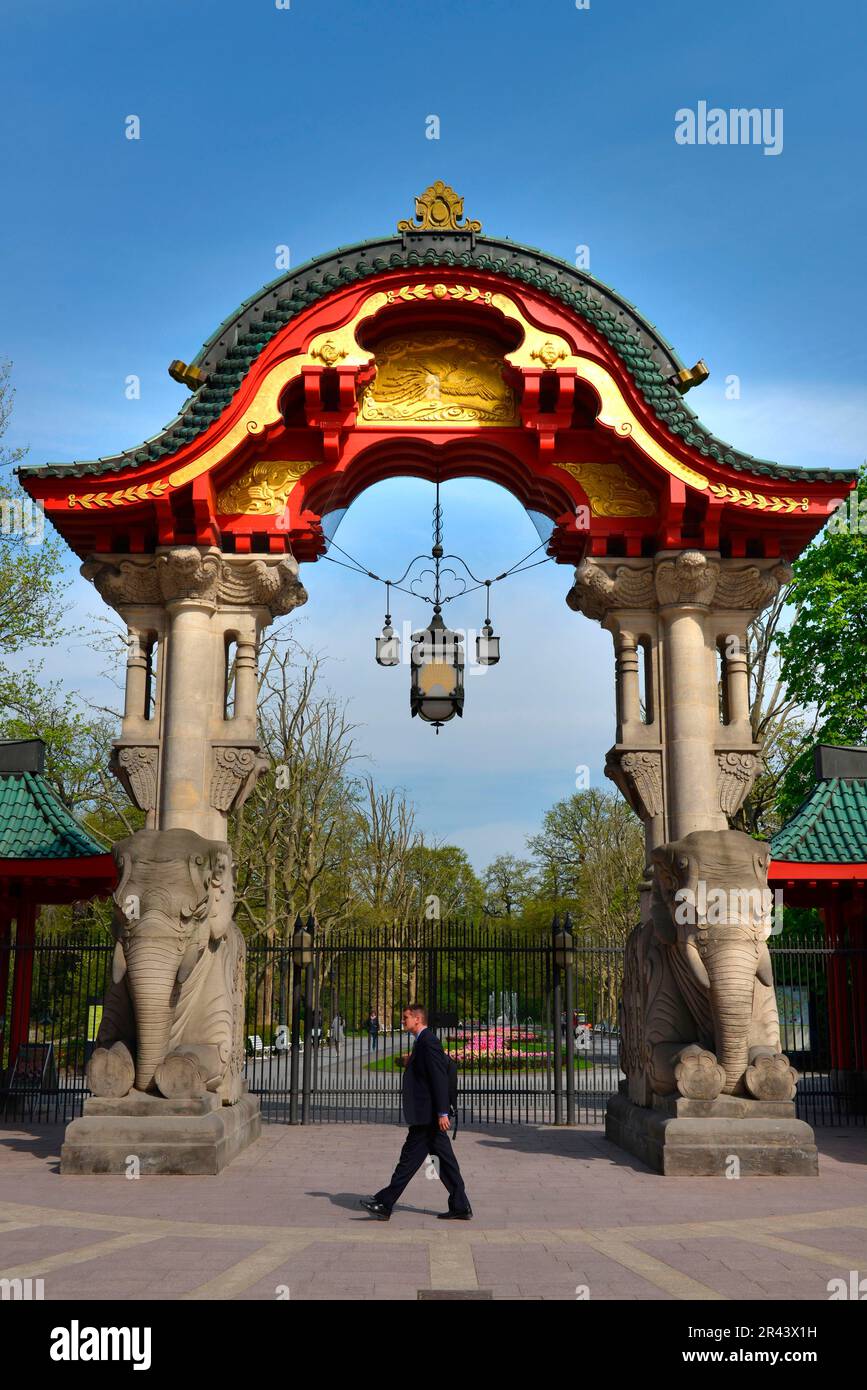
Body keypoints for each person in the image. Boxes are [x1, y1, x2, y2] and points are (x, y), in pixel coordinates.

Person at [359, 1002, 472, 1222]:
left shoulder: (428, 1041)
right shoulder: (422, 1041)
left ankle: (385, 1203)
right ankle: (460, 1205)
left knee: (408, 1161)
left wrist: (442, 1112)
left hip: (427, 1116)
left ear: (417, 1019)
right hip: (427, 1115)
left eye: (406, 1017)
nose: (403, 1021)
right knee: (444, 1162)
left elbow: (439, 1078)